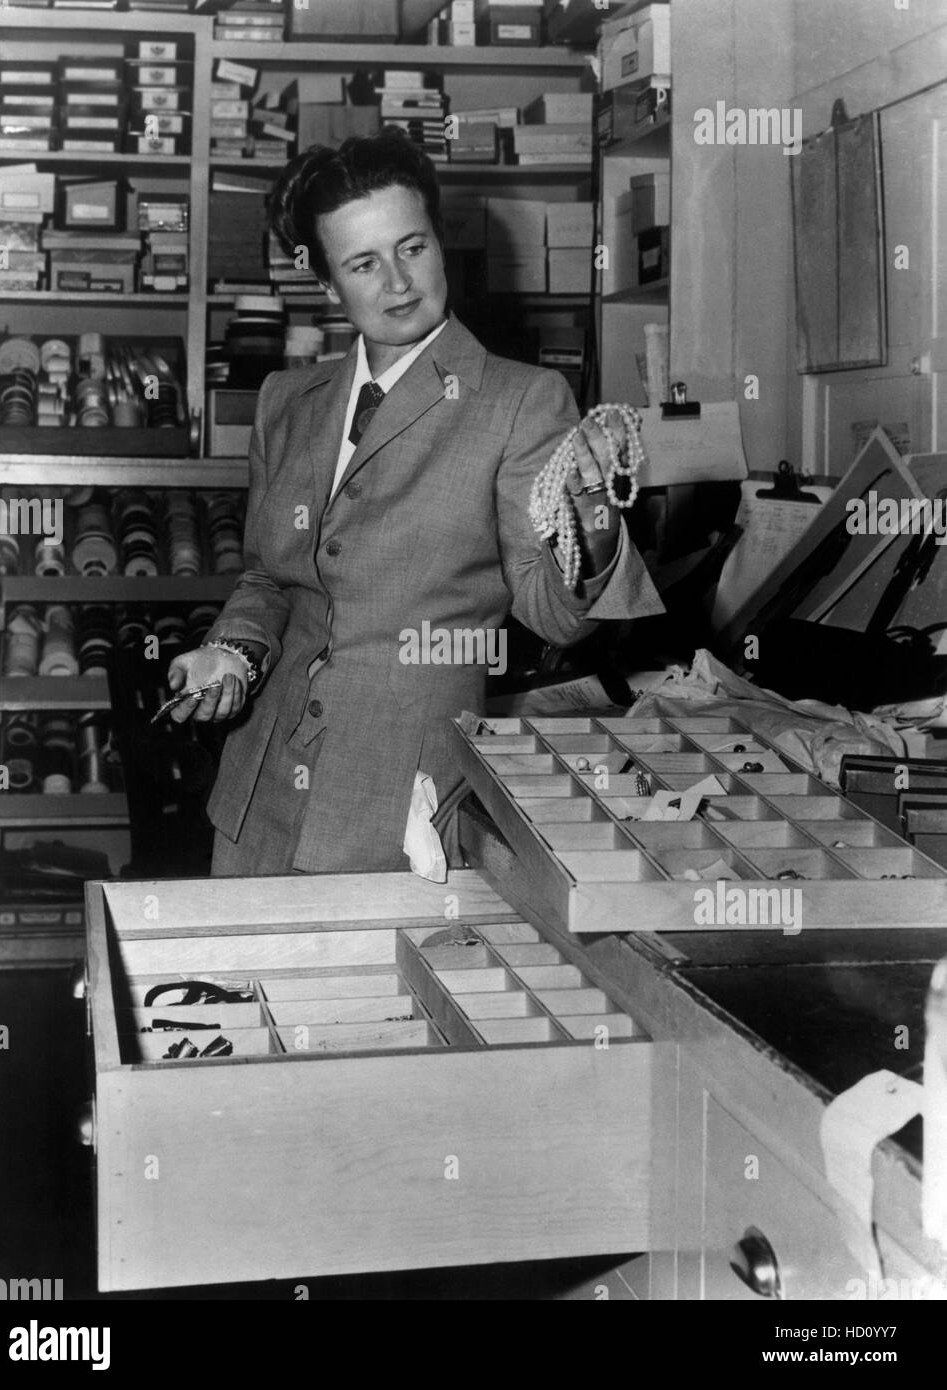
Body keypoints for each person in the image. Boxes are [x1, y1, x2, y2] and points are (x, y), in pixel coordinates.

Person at [167, 128, 664, 876]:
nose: (399, 282)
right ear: (328, 284)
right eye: (364, 263)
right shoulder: (285, 402)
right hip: (259, 800)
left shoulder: (520, 400)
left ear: (440, 243)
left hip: (401, 806)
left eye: (413, 247)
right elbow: (270, 579)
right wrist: (234, 653)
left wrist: (591, 517)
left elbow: (553, 612)